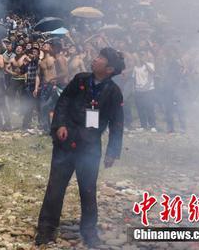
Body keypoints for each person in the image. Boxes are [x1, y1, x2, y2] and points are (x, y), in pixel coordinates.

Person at [35, 47, 125, 247]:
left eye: (101, 58)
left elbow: (117, 123)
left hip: (90, 148)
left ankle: (89, 232)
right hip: (66, 143)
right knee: (55, 188)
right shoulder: (80, 80)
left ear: (109, 69)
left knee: (88, 190)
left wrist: (112, 152)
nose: (95, 59)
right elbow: (63, 103)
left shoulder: (113, 92)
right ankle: (46, 230)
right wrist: (60, 125)